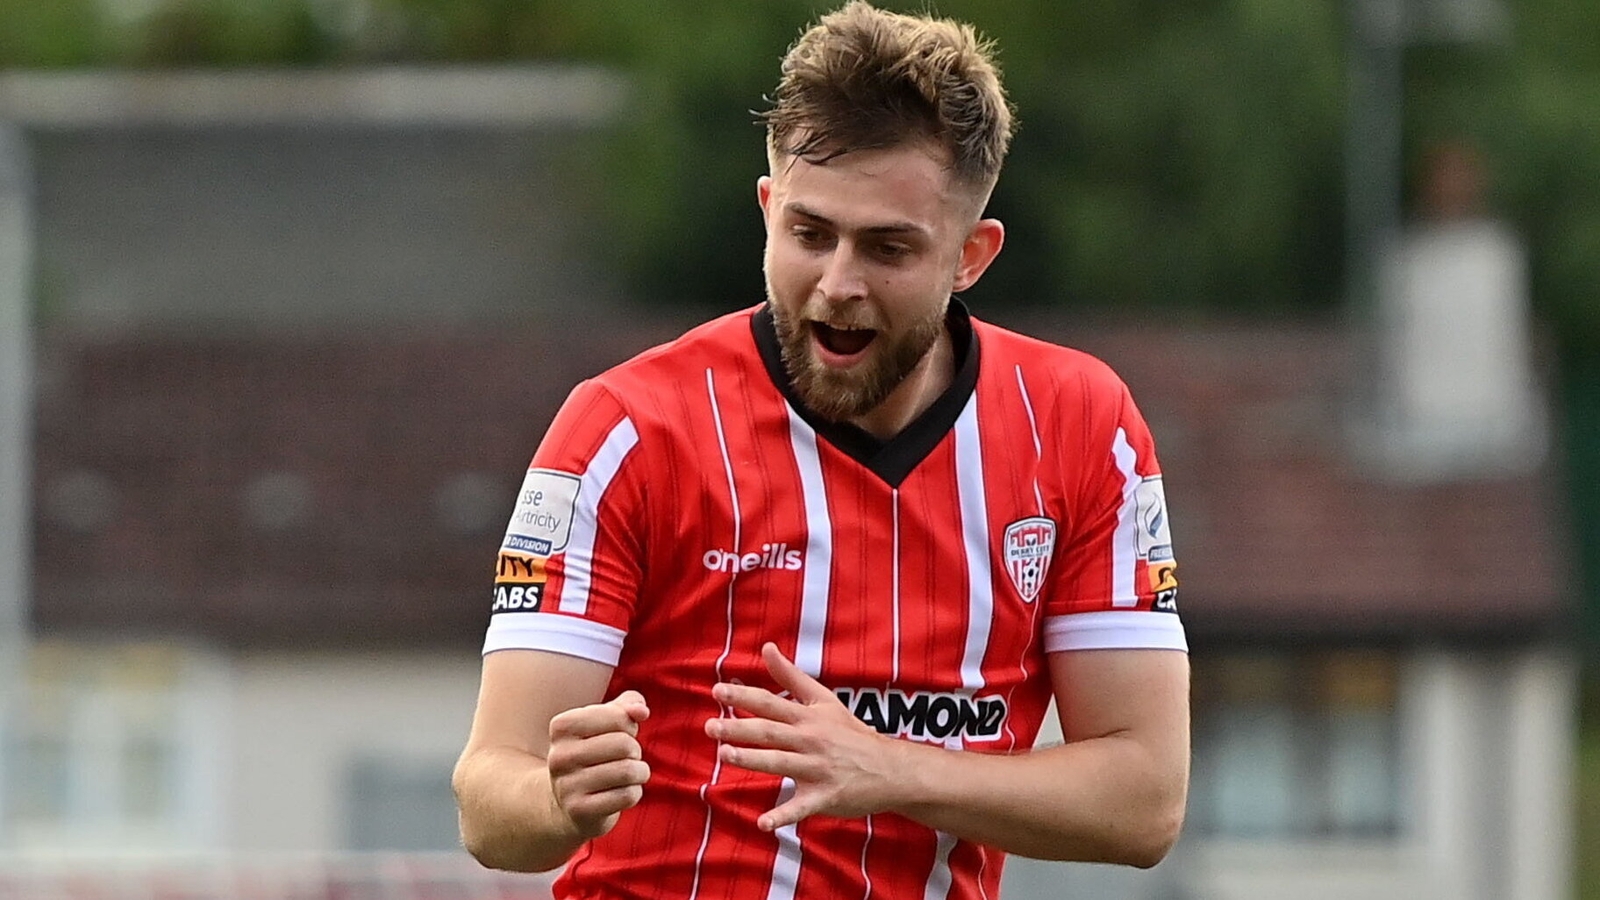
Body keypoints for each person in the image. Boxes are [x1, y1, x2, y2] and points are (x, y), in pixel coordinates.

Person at [452, 3, 1190, 898]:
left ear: (972, 255)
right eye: (809, 235)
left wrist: (891, 769)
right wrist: (557, 801)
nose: (838, 285)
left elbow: (1146, 801)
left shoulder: (1081, 428)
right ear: (768, 210)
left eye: (887, 248)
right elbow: (490, 802)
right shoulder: (625, 430)